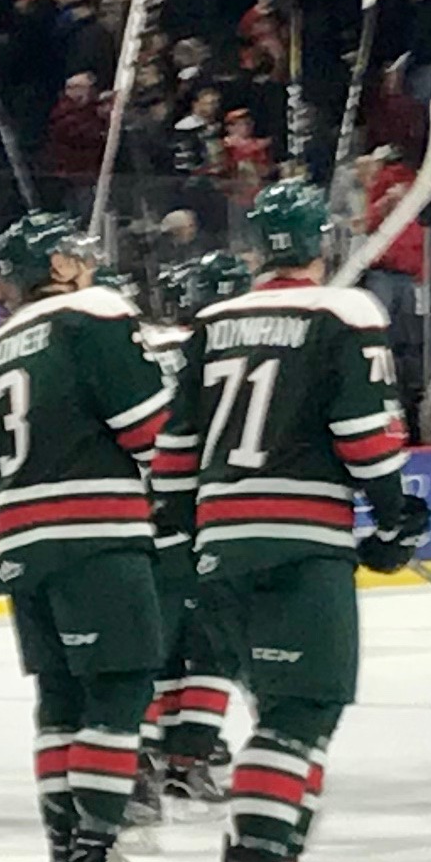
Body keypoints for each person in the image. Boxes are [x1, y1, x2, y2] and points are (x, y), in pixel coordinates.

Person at [152, 178, 423, 862]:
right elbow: (362, 429)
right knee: (299, 714)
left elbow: (177, 448)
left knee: (277, 712)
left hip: (221, 546)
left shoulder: (214, 319)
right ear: (320, 244)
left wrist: (182, 525)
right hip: (299, 544)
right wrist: (394, 511)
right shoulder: (344, 313)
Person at [0, 210, 176, 862]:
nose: (85, 262)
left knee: (60, 701)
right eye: (73, 254)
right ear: (57, 269)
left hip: (21, 539)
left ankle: (67, 859)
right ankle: (94, 857)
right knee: (120, 693)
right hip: (95, 531)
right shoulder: (96, 312)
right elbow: (150, 430)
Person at [134, 249, 249, 814]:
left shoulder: (143, 346)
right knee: (211, 649)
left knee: (157, 651)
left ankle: (154, 752)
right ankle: (190, 757)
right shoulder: (221, 351)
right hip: (197, 516)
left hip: (133, 521)